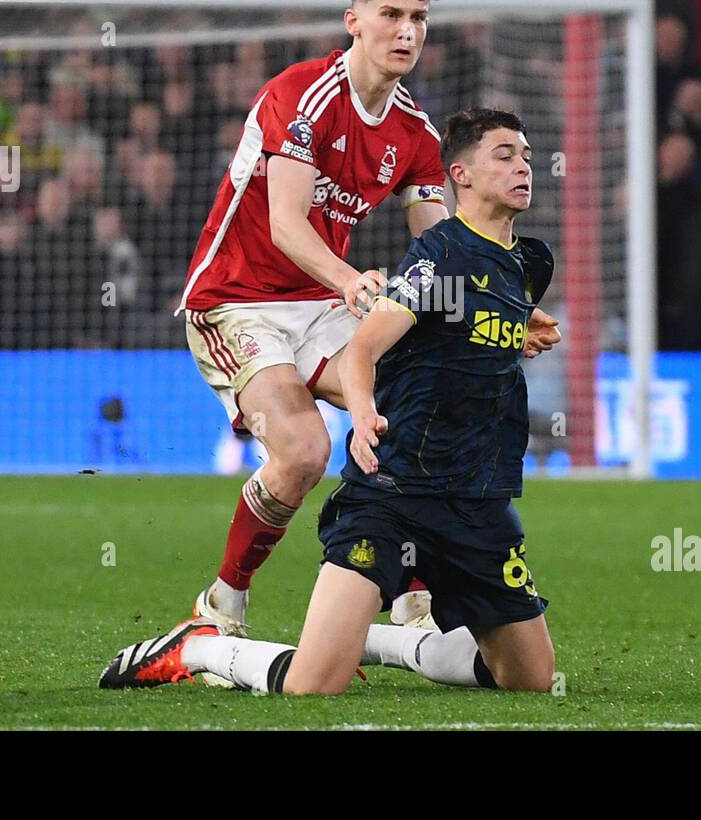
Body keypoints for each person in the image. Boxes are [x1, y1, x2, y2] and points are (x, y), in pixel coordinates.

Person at [101, 108, 558, 695]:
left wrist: (517, 331)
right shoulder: (437, 255)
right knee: (312, 687)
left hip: (479, 502)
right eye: (504, 155)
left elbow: (459, 335)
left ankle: (378, 639)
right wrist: (364, 412)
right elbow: (364, 348)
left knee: (531, 680)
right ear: (460, 175)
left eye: (526, 155)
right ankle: (203, 647)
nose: (522, 166)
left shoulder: (530, 263)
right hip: (395, 497)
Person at [174, 0, 559, 638]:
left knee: (418, 400)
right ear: (354, 22)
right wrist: (351, 281)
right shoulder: (301, 96)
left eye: (418, 19)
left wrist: (508, 306)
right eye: (391, 15)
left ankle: (411, 594)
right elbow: (286, 224)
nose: (406, 31)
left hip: (318, 305)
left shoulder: (415, 133)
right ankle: (223, 599)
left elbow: (450, 254)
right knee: (301, 452)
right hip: (237, 299)